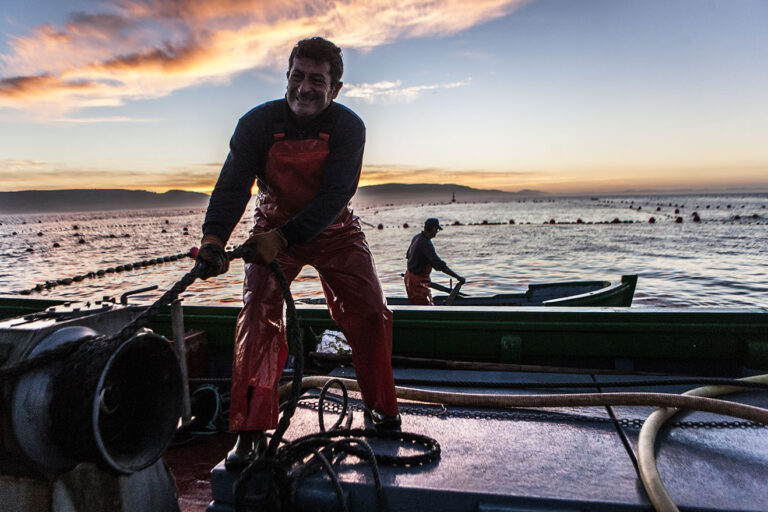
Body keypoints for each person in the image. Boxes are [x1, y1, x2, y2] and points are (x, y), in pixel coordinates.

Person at [195, 37, 400, 469]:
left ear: (336, 88)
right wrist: (214, 240)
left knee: (371, 311)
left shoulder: (349, 127)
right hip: (270, 228)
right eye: (297, 76)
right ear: (287, 76)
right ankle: (250, 432)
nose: (304, 88)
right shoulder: (256, 124)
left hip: (336, 231)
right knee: (257, 315)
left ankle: (382, 409)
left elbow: (335, 196)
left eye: (317, 80)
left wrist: (284, 239)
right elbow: (232, 186)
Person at [404, 218, 465, 305]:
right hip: (418, 282)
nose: (436, 232)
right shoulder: (425, 243)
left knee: (420, 304)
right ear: (432, 228)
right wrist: (458, 277)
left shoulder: (417, 237)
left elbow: (408, 256)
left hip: (410, 277)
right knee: (424, 309)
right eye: (436, 229)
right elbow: (439, 265)